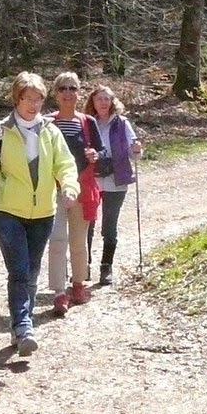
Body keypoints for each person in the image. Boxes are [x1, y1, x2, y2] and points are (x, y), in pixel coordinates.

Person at [0, 72, 79, 356]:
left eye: (38, 99)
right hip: (7, 210)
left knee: (31, 272)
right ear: (16, 99)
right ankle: (23, 326)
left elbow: (65, 164)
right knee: (19, 270)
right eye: (27, 99)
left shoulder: (50, 131)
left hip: (44, 211)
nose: (33, 105)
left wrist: (69, 187)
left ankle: (21, 325)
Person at [44, 72, 100, 315]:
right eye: (63, 88)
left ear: (79, 93)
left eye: (73, 88)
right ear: (55, 93)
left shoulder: (87, 122)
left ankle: (78, 285)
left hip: (81, 190)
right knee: (57, 241)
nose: (68, 93)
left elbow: (103, 154)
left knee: (78, 241)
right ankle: (59, 292)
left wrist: (96, 156)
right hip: (52, 190)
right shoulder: (46, 122)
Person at [84, 85, 144, 285]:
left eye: (106, 99)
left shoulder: (122, 123)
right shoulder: (87, 122)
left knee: (109, 227)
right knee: (87, 223)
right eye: (99, 99)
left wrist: (136, 149)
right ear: (92, 102)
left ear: (112, 102)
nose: (103, 103)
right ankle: (84, 265)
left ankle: (106, 267)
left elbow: (134, 153)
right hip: (92, 178)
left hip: (116, 180)